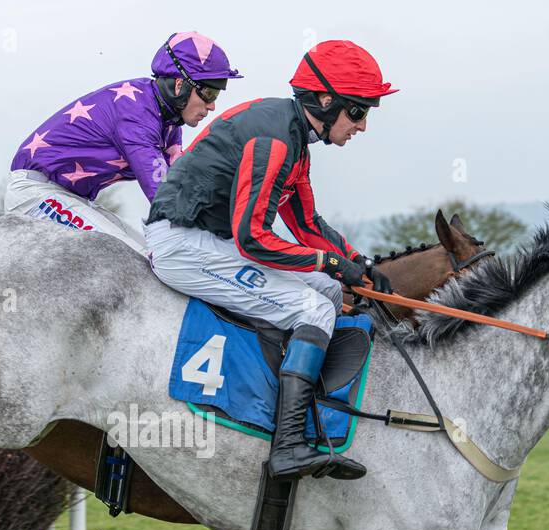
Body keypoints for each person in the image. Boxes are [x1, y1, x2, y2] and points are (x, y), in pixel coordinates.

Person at [144, 40, 397, 481]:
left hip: (211, 241)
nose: (362, 125)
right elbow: (253, 239)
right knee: (314, 307)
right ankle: (287, 446)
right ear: (325, 100)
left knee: (329, 291)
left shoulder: (293, 136)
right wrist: (330, 263)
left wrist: (359, 262)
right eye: (358, 111)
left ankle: (309, 410)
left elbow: (306, 223)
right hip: (183, 245)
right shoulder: (276, 140)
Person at [6, 32, 242, 252]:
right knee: (136, 257)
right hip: (36, 193)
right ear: (180, 85)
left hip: (72, 198)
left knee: (152, 256)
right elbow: (165, 197)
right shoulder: (136, 113)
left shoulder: (169, 122)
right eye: (209, 93)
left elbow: (183, 185)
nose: (212, 105)